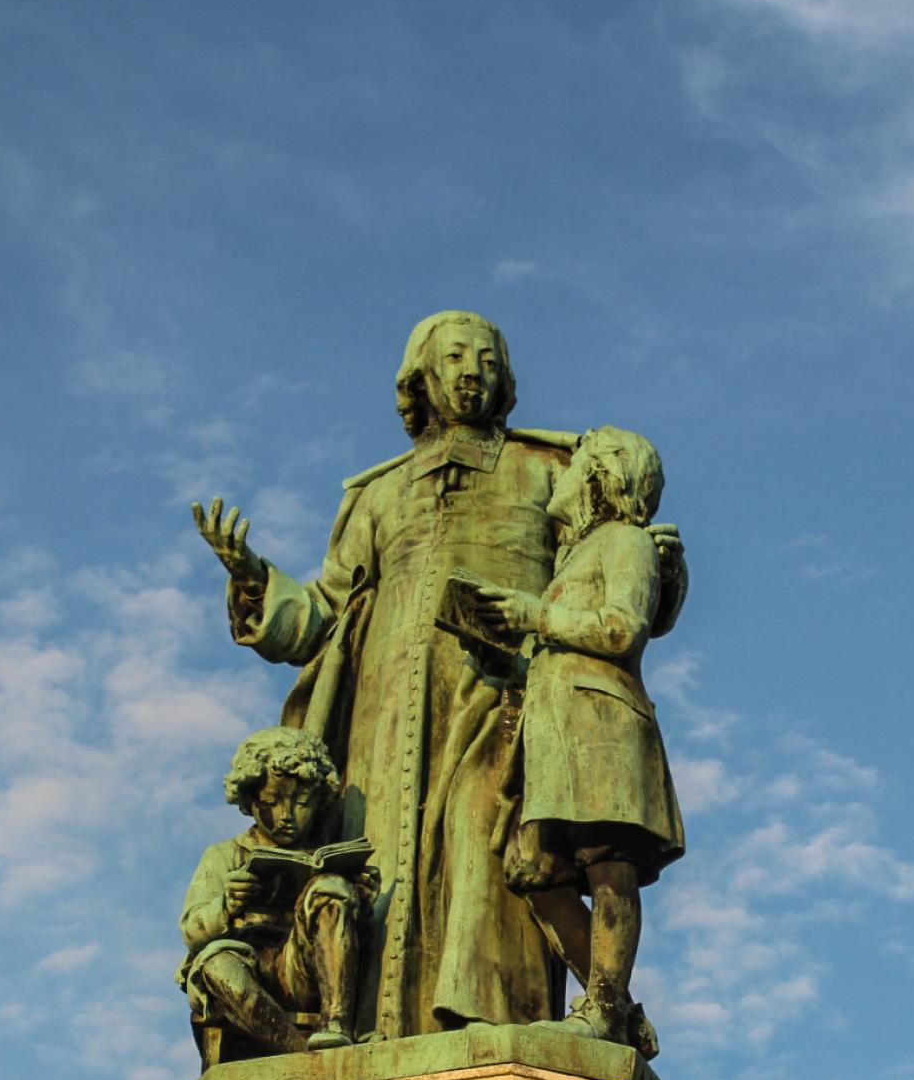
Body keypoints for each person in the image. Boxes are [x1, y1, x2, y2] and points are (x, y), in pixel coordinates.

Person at [192, 311, 685, 1040]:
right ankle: (360, 1031)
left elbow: (615, 577)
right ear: (419, 375)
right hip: (384, 718)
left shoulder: (550, 467)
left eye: (488, 361)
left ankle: (501, 1023)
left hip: (505, 701)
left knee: (487, 854)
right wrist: (254, 580)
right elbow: (322, 614)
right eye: (454, 358)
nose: (471, 373)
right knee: (377, 870)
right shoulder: (375, 496)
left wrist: (661, 569)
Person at [468, 427, 685, 1056]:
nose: (557, 476)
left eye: (571, 466)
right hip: (560, 734)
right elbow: (560, 647)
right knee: (533, 869)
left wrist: (534, 615)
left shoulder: (626, 542)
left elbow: (622, 631)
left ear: (597, 477)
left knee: (607, 861)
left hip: (605, 730)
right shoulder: (578, 554)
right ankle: (618, 1009)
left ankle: (605, 1009)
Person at [176, 727, 374, 1066]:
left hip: (303, 970)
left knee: (331, 887)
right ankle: (295, 1051)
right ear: (250, 800)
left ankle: (336, 1022)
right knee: (215, 960)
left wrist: (361, 895)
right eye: (271, 802)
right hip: (249, 975)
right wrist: (226, 904)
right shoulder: (223, 854)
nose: (286, 816)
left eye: (301, 803)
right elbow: (192, 931)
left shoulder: (325, 853)